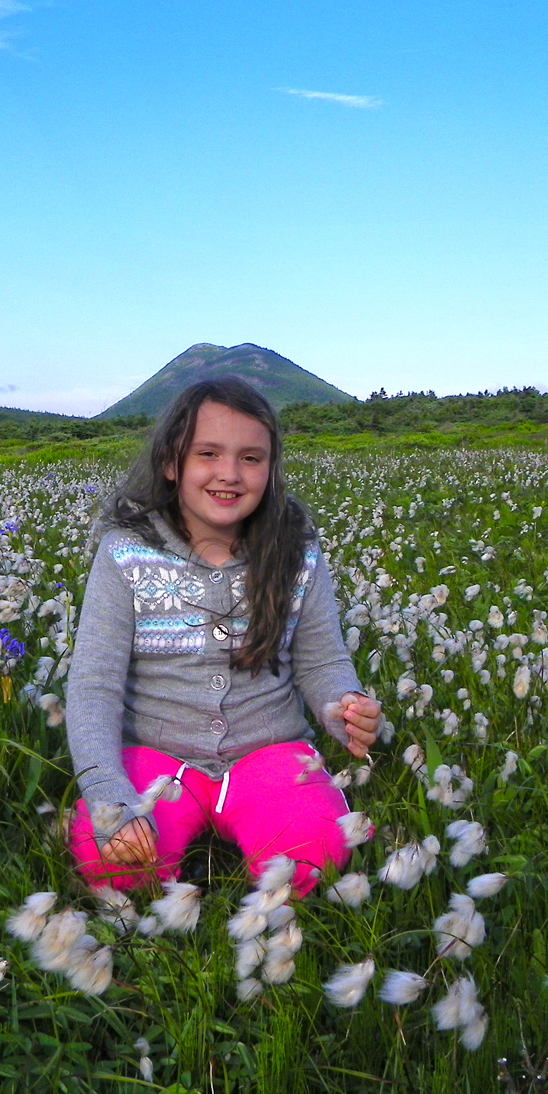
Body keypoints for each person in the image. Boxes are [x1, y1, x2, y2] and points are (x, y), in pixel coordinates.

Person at [64, 376, 382, 898]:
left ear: (271, 469)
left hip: (270, 751)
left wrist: (342, 707)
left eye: (251, 458)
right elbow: (94, 687)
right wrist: (108, 794)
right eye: (208, 453)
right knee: (117, 865)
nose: (229, 474)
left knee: (317, 855)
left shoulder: (296, 552)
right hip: (153, 755)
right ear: (171, 463)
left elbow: (322, 661)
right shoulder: (124, 555)